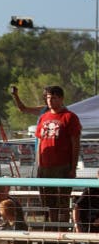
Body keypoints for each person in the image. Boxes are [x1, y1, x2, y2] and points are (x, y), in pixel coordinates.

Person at [35, 85, 81, 223]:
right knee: (48, 203)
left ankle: (62, 233)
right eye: (48, 98)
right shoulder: (43, 117)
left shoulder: (69, 117)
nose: (50, 101)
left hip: (62, 167)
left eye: (54, 98)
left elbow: (75, 143)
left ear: (61, 99)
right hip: (44, 167)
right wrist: (39, 165)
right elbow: (39, 143)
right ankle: (51, 231)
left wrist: (73, 168)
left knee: (62, 203)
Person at [65, 171, 99, 244]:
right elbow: (77, 207)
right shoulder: (90, 189)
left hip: (94, 231)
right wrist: (77, 225)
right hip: (86, 230)